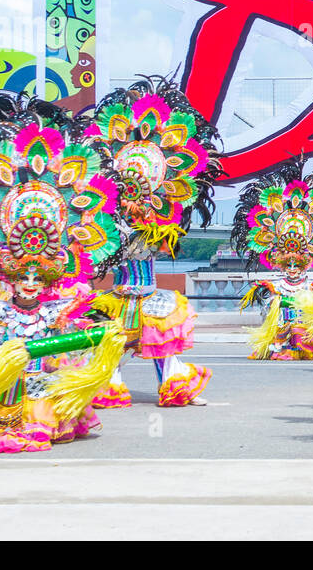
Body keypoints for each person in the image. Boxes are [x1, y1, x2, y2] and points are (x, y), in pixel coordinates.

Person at [0, 99, 125, 454]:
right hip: (4, 386)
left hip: (41, 385)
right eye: (23, 278)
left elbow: (71, 353)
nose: (30, 284)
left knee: (43, 416)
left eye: (36, 278)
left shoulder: (57, 311)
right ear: (10, 279)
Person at [82, 76, 221, 407]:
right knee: (111, 345)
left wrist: (153, 222)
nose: (134, 197)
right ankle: (106, 386)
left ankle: (175, 386)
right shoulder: (110, 223)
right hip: (118, 296)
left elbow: (166, 240)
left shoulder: (160, 222)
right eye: (127, 190)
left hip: (149, 294)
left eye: (141, 189)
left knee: (165, 338)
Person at [233, 162, 313, 360]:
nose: (293, 269)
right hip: (282, 319)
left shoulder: (306, 283)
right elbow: (270, 300)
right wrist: (272, 294)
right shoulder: (279, 283)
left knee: (300, 332)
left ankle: (295, 345)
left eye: (297, 265)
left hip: (300, 318)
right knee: (280, 329)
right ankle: (280, 346)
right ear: (282, 264)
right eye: (289, 265)